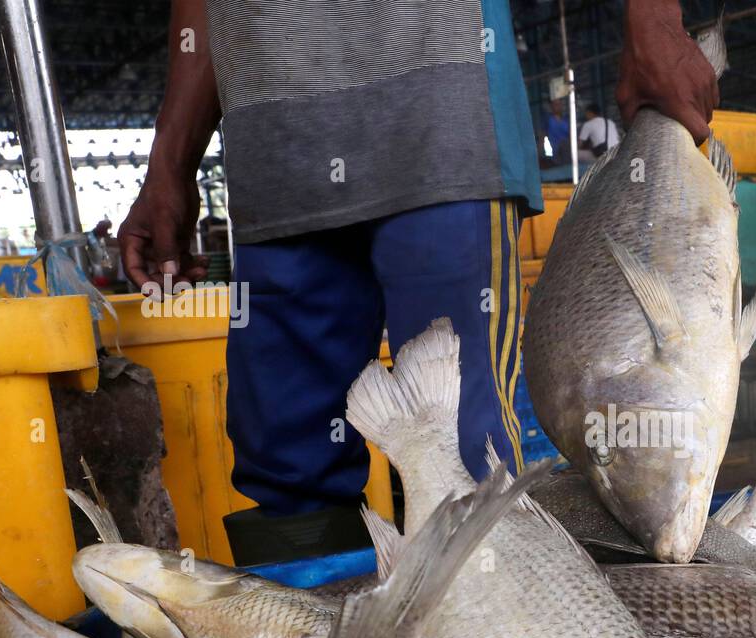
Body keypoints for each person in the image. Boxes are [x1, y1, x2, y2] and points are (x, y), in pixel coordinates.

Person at [119, 0, 720, 565]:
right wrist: (169, 166)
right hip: (271, 151)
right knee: (285, 466)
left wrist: (655, 19)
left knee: (460, 451)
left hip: (442, 111)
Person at [543, 98, 571, 162]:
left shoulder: (567, 119)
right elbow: (543, 134)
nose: (558, 106)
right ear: (551, 106)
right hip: (554, 151)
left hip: (567, 150)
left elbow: (572, 135)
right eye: (555, 104)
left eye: (559, 104)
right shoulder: (548, 119)